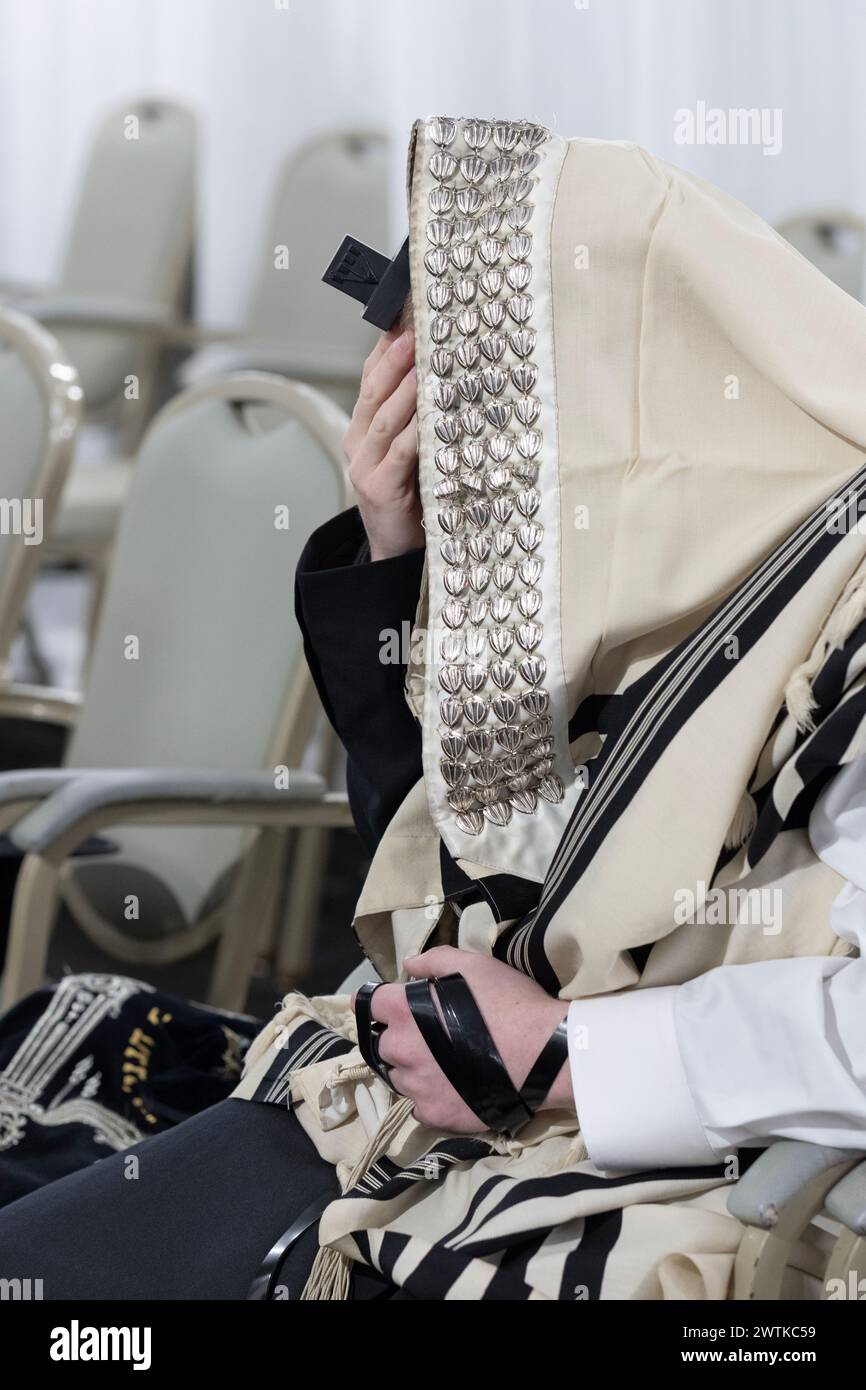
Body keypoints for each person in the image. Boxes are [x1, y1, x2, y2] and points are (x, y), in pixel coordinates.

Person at [1, 115, 866, 1301]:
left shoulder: (842, 616)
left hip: (641, 1172)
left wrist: (571, 1056)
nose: (466, 451)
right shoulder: (680, 577)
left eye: (490, 409)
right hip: (453, 1102)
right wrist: (395, 550)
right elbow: (451, 870)